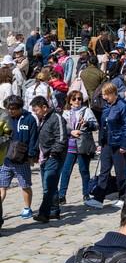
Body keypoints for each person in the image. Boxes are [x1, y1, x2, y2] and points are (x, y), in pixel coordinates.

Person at [86, 83, 126, 210]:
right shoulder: (107, 107)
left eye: (106, 95)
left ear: (113, 93)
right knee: (104, 171)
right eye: (103, 95)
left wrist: (125, 144)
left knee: (120, 172)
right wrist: (101, 143)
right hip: (107, 143)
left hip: (119, 144)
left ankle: (123, 197)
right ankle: (98, 198)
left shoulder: (123, 106)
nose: (104, 97)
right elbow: (103, 126)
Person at [31, 95, 69, 223]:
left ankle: (44, 213)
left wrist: (53, 153)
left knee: (48, 185)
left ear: (44, 107)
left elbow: (62, 138)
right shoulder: (43, 119)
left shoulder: (56, 117)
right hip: (45, 157)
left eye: (36, 109)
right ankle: (54, 211)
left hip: (54, 157)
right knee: (49, 185)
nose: (35, 112)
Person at [0, 96, 37, 227]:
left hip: (22, 159)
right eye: (8, 108)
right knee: (2, 185)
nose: (11, 111)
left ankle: (27, 208)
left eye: (13, 109)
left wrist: (32, 155)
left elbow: (33, 138)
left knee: (25, 184)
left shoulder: (29, 119)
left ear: (20, 108)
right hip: (6, 159)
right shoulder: (5, 118)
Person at [58, 90, 97, 204]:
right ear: (69, 101)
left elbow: (95, 126)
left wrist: (87, 124)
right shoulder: (65, 113)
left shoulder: (87, 111)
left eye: (79, 99)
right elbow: (62, 128)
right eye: (74, 99)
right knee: (65, 171)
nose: (77, 101)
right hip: (69, 145)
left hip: (83, 144)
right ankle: (62, 195)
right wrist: (71, 132)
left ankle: (86, 194)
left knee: (84, 170)